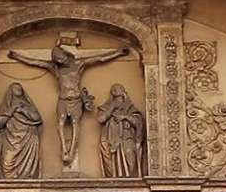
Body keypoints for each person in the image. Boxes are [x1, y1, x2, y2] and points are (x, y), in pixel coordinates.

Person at [7, 41, 132, 172]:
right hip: (63, 99)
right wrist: (17, 57)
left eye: (60, 56)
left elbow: (99, 58)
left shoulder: (78, 64)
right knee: (59, 123)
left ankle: (71, 150)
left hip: (76, 100)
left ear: (65, 54)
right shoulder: (55, 68)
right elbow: (35, 62)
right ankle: (64, 149)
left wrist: (117, 53)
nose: (59, 60)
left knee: (75, 123)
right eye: (56, 59)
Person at [0, 83, 44, 179]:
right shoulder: (7, 105)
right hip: (10, 137)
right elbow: (1, 123)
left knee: (26, 167)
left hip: (28, 136)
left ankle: (26, 176)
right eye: (15, 88)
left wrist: (23, 110)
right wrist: (12, 110)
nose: (18, 90)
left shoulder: (27, 105)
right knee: (7, 161)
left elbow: (37, 118)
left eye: (19, 89)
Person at [95, 84, 147, 178]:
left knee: (130, 155)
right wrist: (112, 108)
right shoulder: (106, 107)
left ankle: (130, 176)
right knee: (110, 159)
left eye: (118, 89)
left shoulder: (130, 108)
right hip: (110, 138)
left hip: (127, 138)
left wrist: (126, 118)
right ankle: (113, 177)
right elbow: (101, 119)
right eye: (114, 89)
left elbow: (138, 121)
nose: (116, 90)